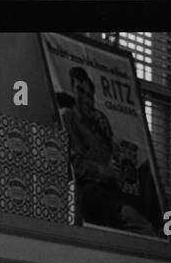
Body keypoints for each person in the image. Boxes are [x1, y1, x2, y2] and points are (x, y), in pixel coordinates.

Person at [57, 65, 159, 234]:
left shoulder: (98, 124)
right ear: (72, 90)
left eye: (89, 96)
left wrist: (109, 139)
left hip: (115, 188)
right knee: (138, 221)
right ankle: (151, 233)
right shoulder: (67, 117)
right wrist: (104, 171)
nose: (85, 99)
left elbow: (115, 159)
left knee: (150, 167)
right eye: (80, 91)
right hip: (92, 191)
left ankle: (164, 230)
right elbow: (72, 163)